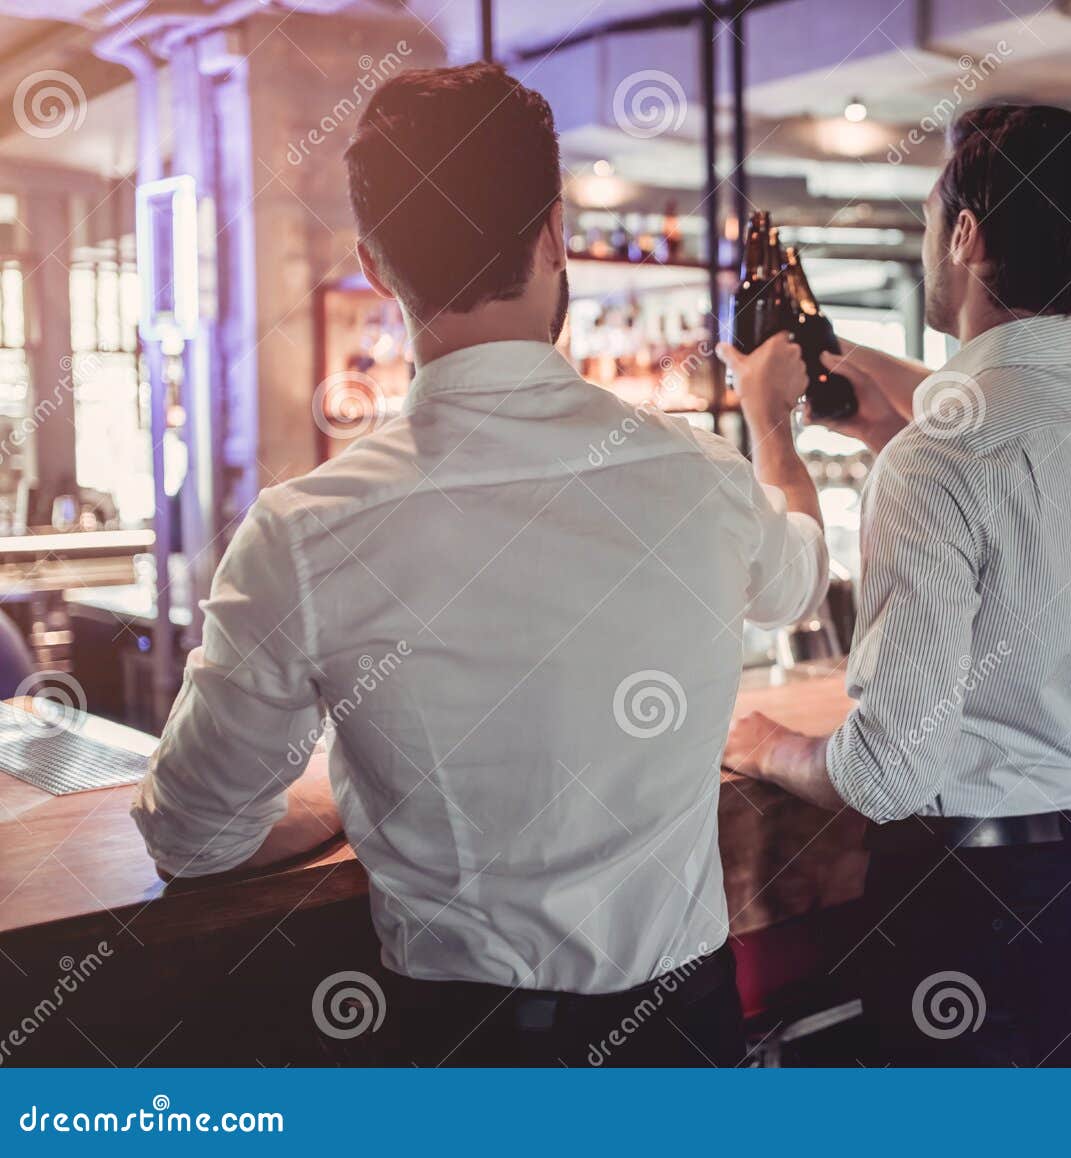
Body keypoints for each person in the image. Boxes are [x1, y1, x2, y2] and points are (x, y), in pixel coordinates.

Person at [130, 63, 829, 1067]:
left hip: (462, 1049)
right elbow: (801, 572)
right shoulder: (701, 480)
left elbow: (190, 837)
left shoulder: (301, 531)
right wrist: (772, 424)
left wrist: (340, 789)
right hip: (679, 1037)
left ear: (376, 264)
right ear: (553, 231)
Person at [721, 104, 1071, 1066]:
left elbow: (887, 775)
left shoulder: (934, 459)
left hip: (960, 907)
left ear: (964, 234)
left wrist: (766, 748)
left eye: (932, 219)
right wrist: (896, 427)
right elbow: (1024, 493)